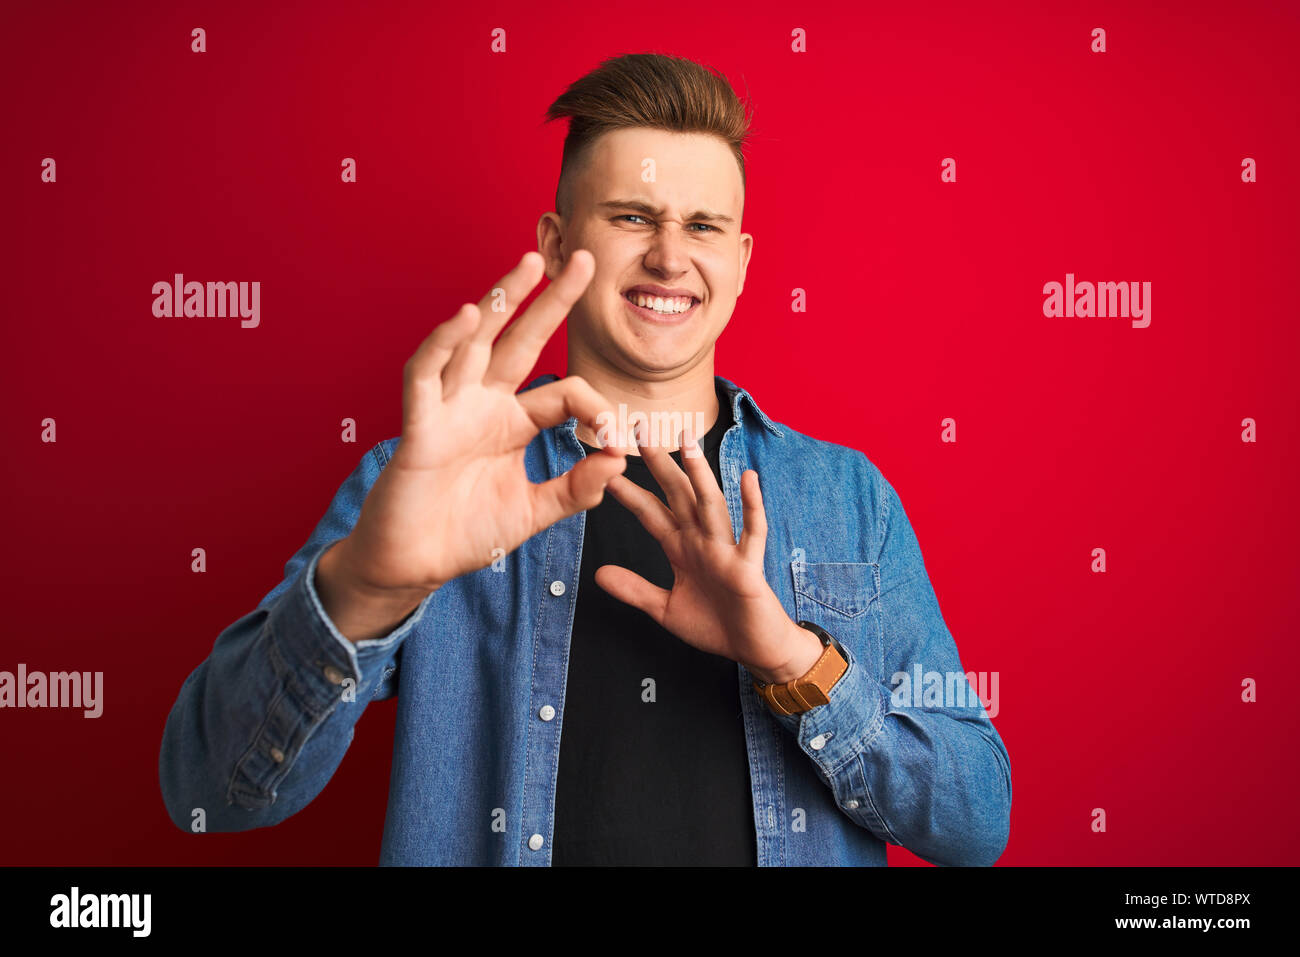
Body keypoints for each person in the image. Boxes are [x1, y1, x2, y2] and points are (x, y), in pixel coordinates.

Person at [159, 52, 1011, 866]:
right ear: (559, 241)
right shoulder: (427, 479)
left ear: (742, 263)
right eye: (633, 217)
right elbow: (209, 791)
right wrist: (367, 589)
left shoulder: (848, 498)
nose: (671, 257)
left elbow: (977, 820)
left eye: (703, 225)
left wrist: (791, 658)